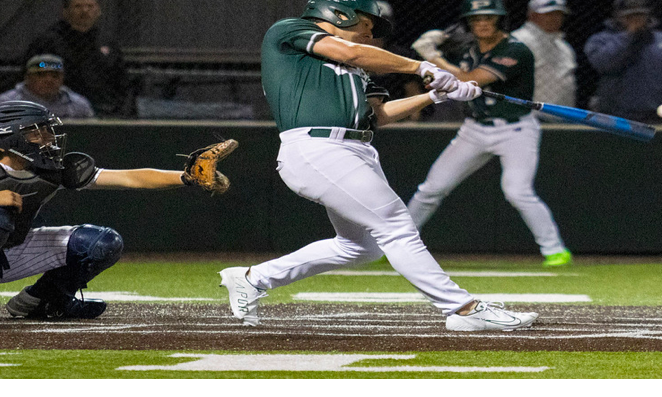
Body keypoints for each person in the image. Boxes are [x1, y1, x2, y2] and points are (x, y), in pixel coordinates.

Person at [219, 0, 538, 333]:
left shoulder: (356, 70)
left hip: (355, 148)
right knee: (396, 224)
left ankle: (252, 278)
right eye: (367, 24)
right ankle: (462, 308)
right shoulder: (290, 31)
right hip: (317, 147)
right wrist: (421, 68)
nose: (370, 34)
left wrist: (437, 96)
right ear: (338, 13)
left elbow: (378, 115)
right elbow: (352, 53)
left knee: (359, 247)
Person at [0, 101, 217, 323]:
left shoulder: (47, 167)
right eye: (37, 131)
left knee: (100, 243)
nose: (49, 137)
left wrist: (186, 177)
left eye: (48, 130)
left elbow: (127, 177)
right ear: (9, 135)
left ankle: (44, 300)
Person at [409, 0, 572, 267]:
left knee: (517, 191)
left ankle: (555, 251)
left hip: (515, 130)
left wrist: (432, 57)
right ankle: (396, 244)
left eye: (489, 18)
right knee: (431, 188)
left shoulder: (516, 50)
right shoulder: (467, 48)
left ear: (500, 21)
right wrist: (438, 51)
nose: (483, 23)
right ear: (468, 24)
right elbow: (447, 79)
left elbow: (468, 79)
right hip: (474, 129)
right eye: (476, 19)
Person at [25, 0, 128, 116]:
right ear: (65, 11)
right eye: (78, 6)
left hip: (104, 112)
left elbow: (121, 81)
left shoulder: (107, 43)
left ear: (98, 11)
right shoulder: (48, 42)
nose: (85, 11)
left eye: (90, 6)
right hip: (63, 111)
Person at [511, 0, 576, 109]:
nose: (555, 18)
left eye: (558, 14)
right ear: (532, 15)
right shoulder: (518, 41)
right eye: (548, 14)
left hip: (563, 117)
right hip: (529, 116)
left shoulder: (564, 47)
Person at [0, 54, 95, 119]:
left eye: (55, 75)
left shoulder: (79, 105)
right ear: (27, 77)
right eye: (41, 75)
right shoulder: (4, 104)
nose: (49, 80)